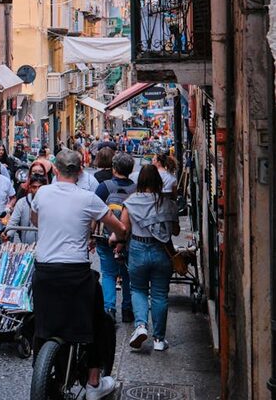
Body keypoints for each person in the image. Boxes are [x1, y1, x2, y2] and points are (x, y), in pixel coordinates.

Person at [31, 149, 127, 400]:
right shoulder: (88, 199)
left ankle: (41, 364)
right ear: (81, 169)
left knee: (42, 320)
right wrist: (118, 236)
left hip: (44, 271)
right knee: (99, 321)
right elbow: (118, 227)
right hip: (75, 272)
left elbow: (35, 220)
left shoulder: (42, 193)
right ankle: (94, 382)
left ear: (55, 169)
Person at [116, 165, 180, 352]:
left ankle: (141, 326)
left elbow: (124, 229)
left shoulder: (131, 202)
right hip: (162, 250)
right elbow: (175, 230)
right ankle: (159, 340)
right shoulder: (168, 203)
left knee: (138, 290)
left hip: (138, 247)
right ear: (158, 182)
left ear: (140, 181)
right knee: (160, 294)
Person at [94, 153, 137, 323]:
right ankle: (127, 309)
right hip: (128, 238)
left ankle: (109, 309)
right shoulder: (135, 189)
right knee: (127, 274)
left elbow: (95, 213)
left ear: (114, 168)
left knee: (109, 273)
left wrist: (91, 235)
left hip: (105, 238)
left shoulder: (104, 187)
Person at [7, 174, 46, 244]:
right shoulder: (22, 202)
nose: (37, 190)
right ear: (30, 188)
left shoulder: (50, 203)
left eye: (40, 187)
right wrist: (7, 234)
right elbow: (13, 221)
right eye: (34, 187)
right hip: (26, 245)